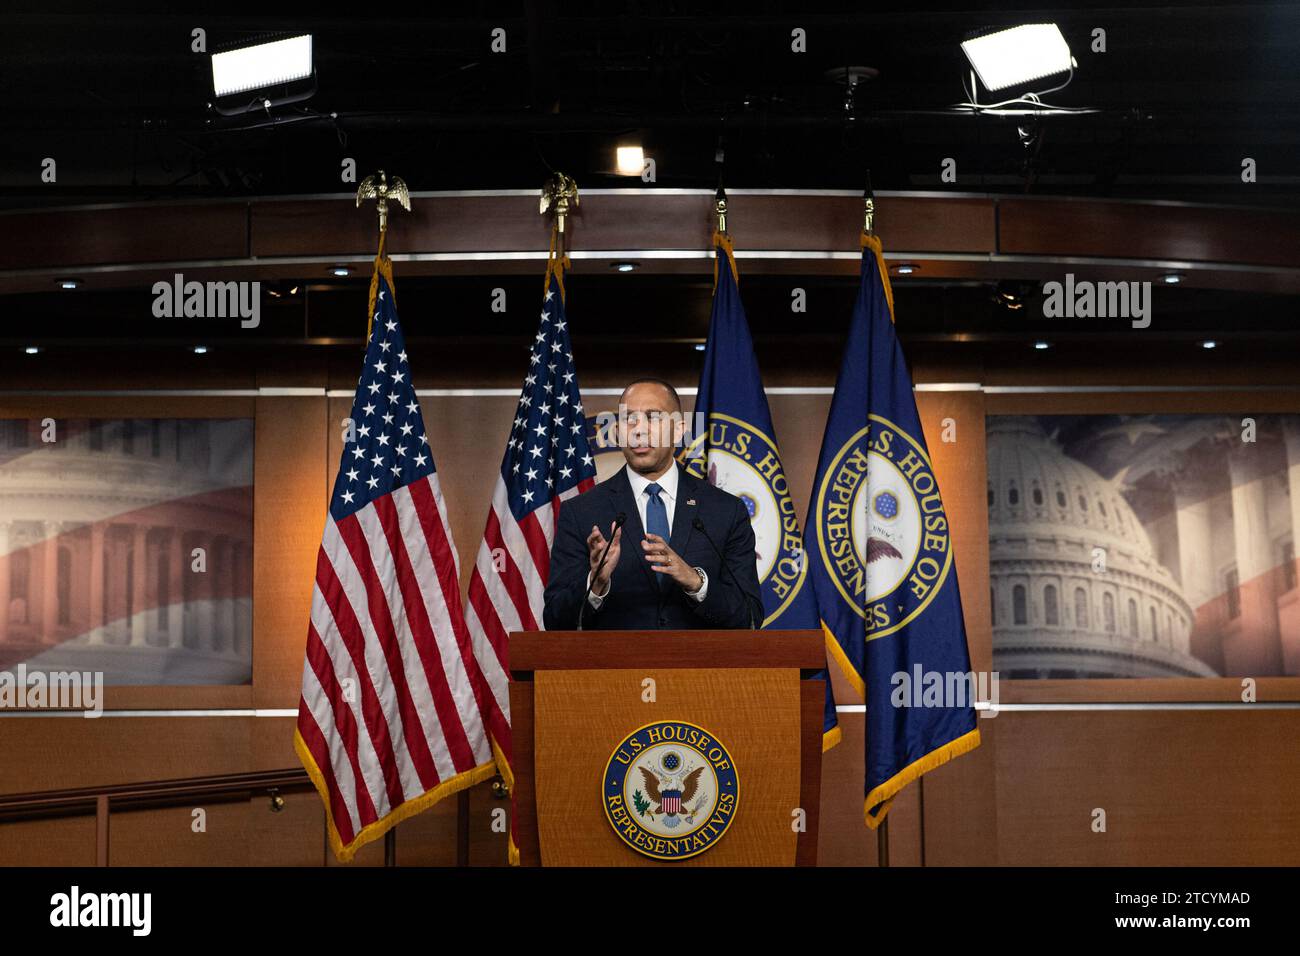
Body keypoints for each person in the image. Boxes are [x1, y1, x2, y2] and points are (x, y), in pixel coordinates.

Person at [543, 377, 762, 631]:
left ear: (679, 430)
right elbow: (556, 622)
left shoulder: (725, 511)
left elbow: (751, 619)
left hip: (698, 669)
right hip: (616, 669)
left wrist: (695, 582)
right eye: (629, 419)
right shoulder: (581, 512)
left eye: (653, 417)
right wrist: (596, 583)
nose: (639, 430)